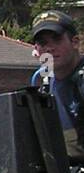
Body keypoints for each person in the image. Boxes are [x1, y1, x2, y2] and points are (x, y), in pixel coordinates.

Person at [29, 10, 84, 161]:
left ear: (75, 42)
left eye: (57, 40)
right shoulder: (44, 85)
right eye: (43, 43)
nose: (50, 48)